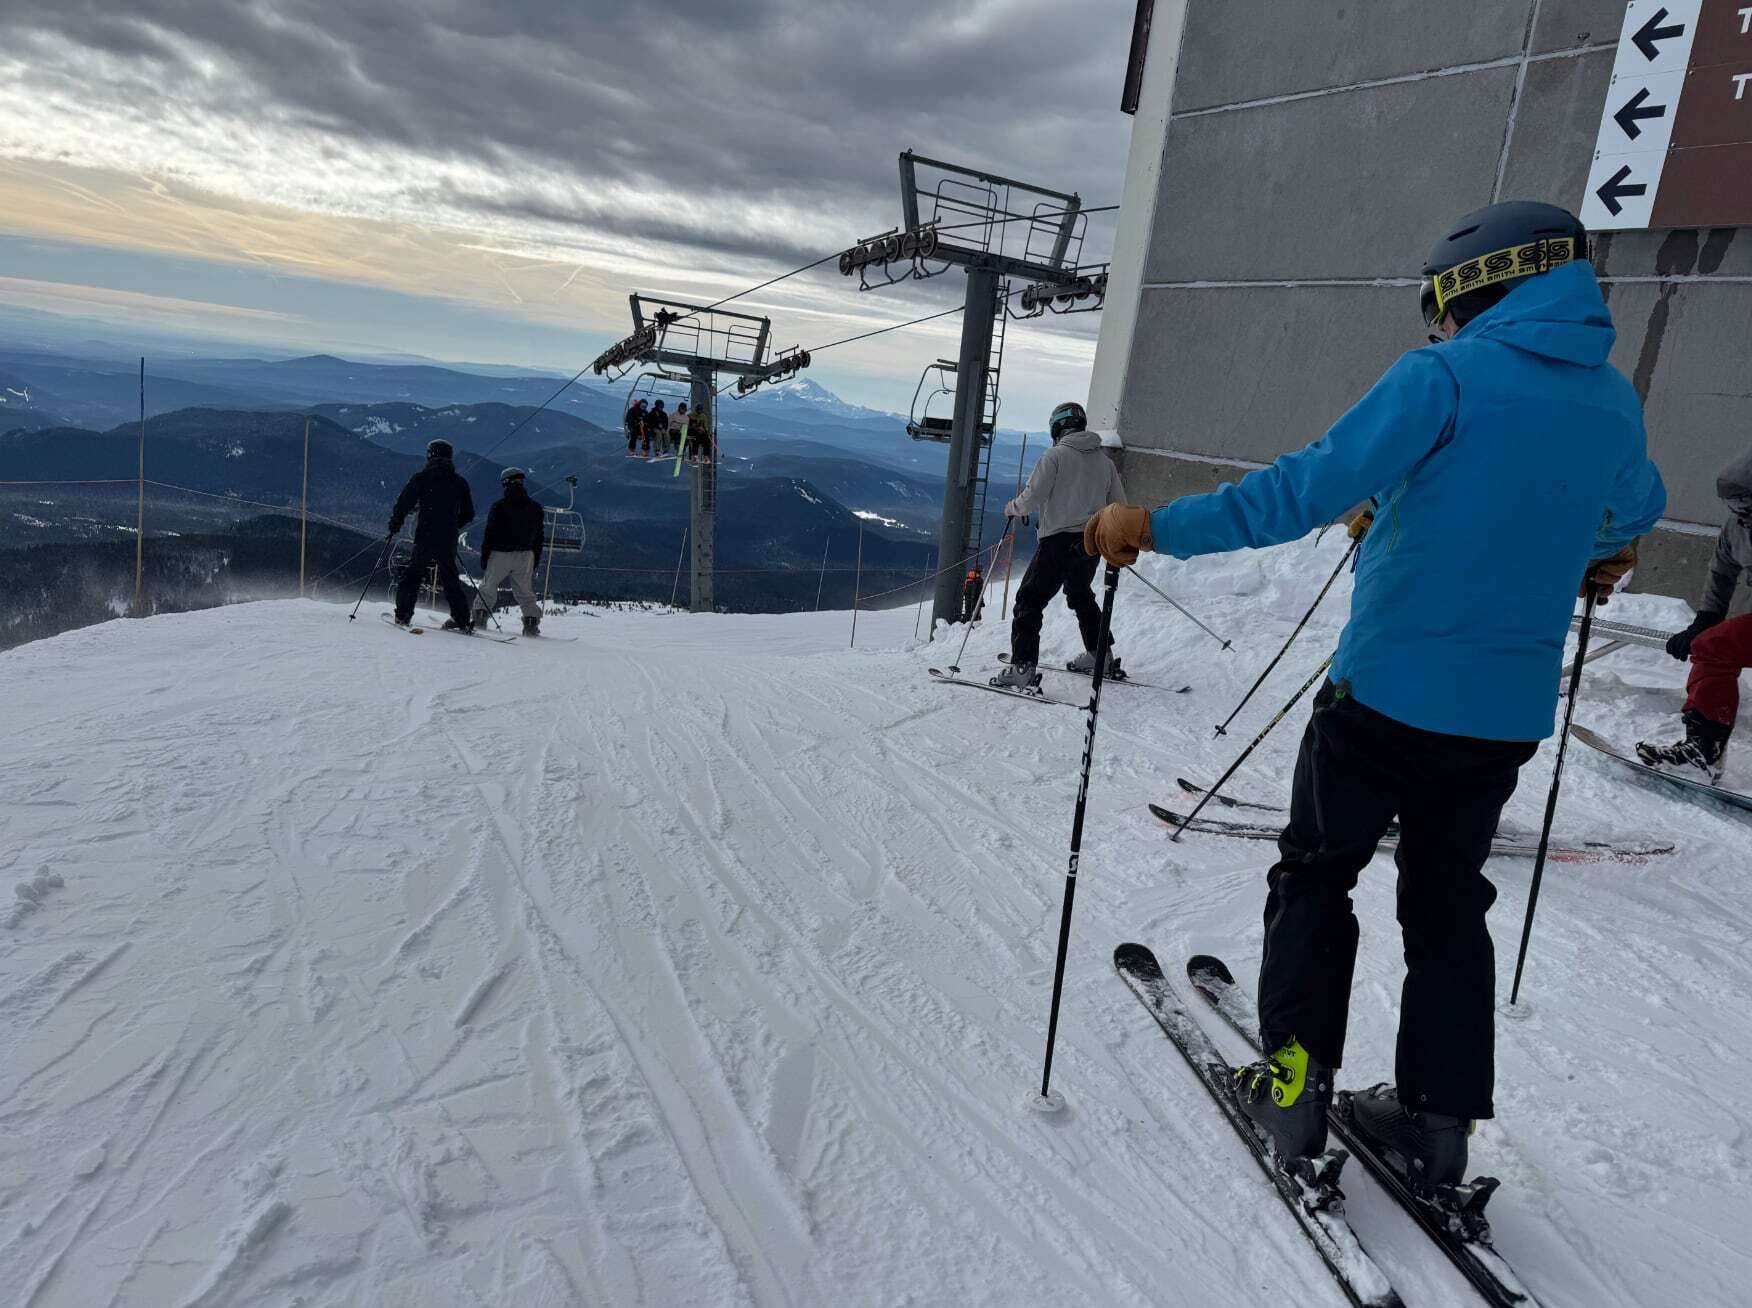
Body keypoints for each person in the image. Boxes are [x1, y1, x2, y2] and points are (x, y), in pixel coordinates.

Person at [1086, 201, 1666, 1185]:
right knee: (1448, 908)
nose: (1440, 324)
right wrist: (1595, 549)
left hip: (1386, 696)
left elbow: (1298, 491)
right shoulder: (1612, 398)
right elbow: (1630, 507)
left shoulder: (1442, 376)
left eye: (1443, 304)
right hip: (1503, 717)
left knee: (1318, 878)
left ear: (1480, 285)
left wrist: (1153, 525)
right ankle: (1436, 1128)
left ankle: (1293, 1093)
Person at [992, 401, 1127, 689]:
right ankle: (1100, 656)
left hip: (1058, 542)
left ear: (1057, 428)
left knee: (1029, 600)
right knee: (1080, 594)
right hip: (1091, 542)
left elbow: (1032, 498)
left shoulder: (1055, 456)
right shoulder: (1105, 462)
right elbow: (1119, 505)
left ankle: (1022, 668)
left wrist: (1012, 508)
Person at [1636, 449, 1752, 781]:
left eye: (1745, 505)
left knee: (1717, 644)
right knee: (1712, 645)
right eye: (1733, 506)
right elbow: (1722, 570)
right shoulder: (1739, 527)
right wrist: (1706, 619)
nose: (1739, 514)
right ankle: (1703, 752)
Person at [389, 438, 478, 631]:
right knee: (450, 577)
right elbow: (469, 513)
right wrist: (454, 524)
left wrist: (394, 525)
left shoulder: (421, 478)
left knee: (413, 574)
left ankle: (403, 615)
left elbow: (403, 503)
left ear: (430, 455)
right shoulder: (459, 482)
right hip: (448, 537)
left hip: (426, 534)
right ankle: (462, 619)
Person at [472, 467, 547, 636]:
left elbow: (490, 533)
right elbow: (539, 537)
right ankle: (531, 622)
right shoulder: (535, 507)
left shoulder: (499, 506)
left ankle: (480, 616)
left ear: (506, 483)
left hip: (500, 553)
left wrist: (485, 555)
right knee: (525, 591)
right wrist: (535, 558)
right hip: (526, 554)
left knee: (489, 587)